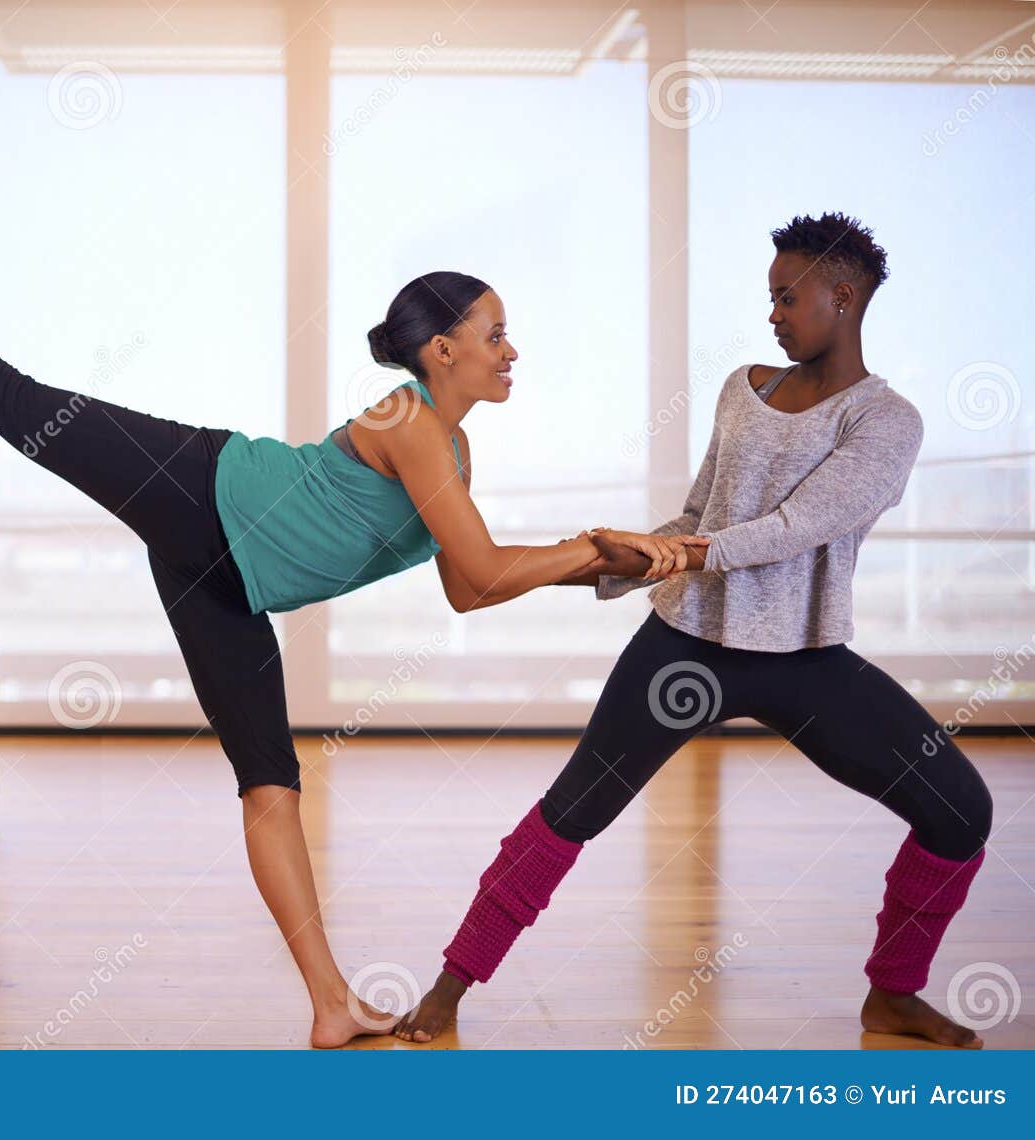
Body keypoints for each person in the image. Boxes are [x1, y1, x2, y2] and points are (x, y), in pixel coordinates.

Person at [0, 241, 692, 1047]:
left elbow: (469, 592)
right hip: (197, 485)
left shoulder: (453, 448)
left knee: (271, 784)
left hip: (224, 585)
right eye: (494, 334)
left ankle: (331, 1004)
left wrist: (611, 558)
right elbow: (482, 573)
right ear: (442, 350)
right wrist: (595, 549)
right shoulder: (411, 421)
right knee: (8, 395)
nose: (509, 350)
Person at [396, 213, 995, 1050]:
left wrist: (682, 551)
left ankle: (892, 995)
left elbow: (798, 525)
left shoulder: (887, 421)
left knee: (961, 810)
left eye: (788, 299)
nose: (774, 316)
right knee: (571, 811)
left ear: (843, 296)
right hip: (685, 647)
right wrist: (618, 558)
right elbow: (696, 514)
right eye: (770, 299)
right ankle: (447, 990)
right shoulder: (742, 388)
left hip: (801, 660)